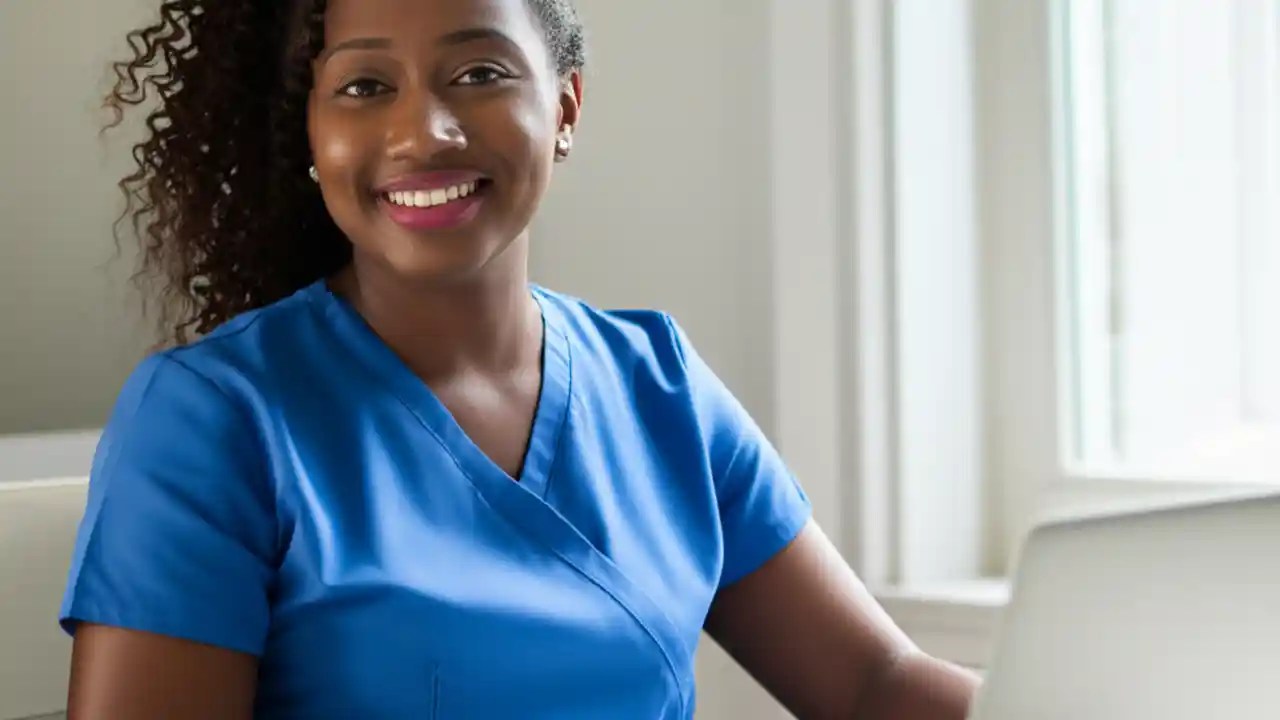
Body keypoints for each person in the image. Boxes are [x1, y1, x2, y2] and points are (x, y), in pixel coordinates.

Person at [59, 0, 980, 717]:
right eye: (364, 86)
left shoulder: (658, 386)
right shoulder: (210, 418)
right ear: (310, 130)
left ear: (565, 105)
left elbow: (876, 685)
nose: (424, 132)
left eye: (479, 73)